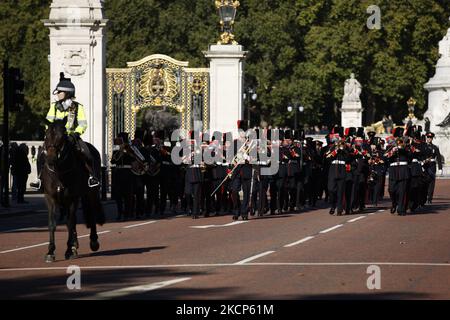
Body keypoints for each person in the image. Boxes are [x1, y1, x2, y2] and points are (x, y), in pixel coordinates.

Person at [30, 72, 99, 189]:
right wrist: (50, 132)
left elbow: (83, 123)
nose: (57, 94)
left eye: (60, 92)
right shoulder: (54, 106)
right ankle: (39, 179)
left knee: (86, 151)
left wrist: (76, 133)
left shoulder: (78, 107)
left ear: (67, 93)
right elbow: (48, 121)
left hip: (71, 136)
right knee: (41, 153)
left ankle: (91, 177)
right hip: (55, 137)